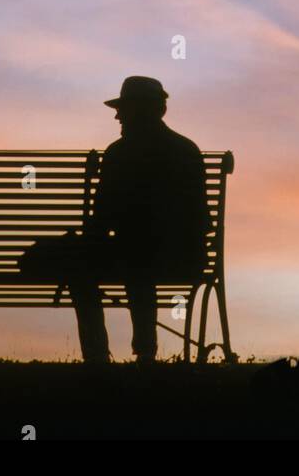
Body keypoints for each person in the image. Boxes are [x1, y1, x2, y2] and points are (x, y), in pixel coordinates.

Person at [67, 76, 211, 364]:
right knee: (137, 255)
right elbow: (203, 221)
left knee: (85, 267)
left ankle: (97, 356)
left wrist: (83, 240)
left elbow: (102, 220)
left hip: (135, 256)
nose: (117, 117)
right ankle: (145, 351)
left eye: (123, 110)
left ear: (139, 110)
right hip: (185, 257)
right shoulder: (187, 150)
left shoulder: (119, 154)